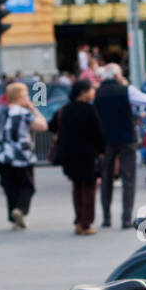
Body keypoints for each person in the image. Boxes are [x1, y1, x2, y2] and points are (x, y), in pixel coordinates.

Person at [0, 80, 48, 229]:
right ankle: (20, 210)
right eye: (26, 95)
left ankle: (14, 219)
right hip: (21, 155)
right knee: (27, 186)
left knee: (10, 187)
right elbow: (42, 126)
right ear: (20, 97)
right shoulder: (23, 113)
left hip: (2, 155)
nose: (28, 98)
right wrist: (33, 109)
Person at [50, 78, 105, 235]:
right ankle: (86, 223)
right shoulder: (89, 109)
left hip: (69, 155)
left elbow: (52, 125)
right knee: (89, 188)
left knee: (77, 187)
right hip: (87, 155)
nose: (93, 92)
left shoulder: (65, 109)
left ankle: (78, 221)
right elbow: (98, 133)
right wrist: (102, 150)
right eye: (91, 89)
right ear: (83, 92)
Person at [94, 63, 137, 228]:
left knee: (106, 178)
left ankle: (106, 217)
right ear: (116, 75)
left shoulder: (98, 92)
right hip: (127, 138)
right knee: (128, 178)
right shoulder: (126, 90)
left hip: (106, 140)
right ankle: (126, 218)